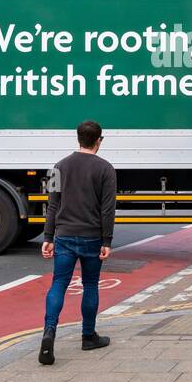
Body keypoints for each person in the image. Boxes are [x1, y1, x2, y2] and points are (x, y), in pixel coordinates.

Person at [39, 120, 117, 366]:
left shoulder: (57, 167)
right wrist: (107, 240)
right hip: (92, 237)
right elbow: (107, 209)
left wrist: (48, 237)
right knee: (90, 283)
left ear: (78, 139)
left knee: (59, 283)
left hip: (64, 235)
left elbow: (52, 205)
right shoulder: (106, 169)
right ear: (99, 141)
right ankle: (88, 336)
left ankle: (49, 331)